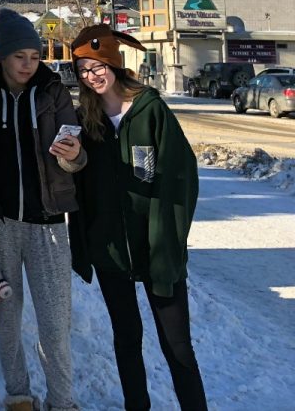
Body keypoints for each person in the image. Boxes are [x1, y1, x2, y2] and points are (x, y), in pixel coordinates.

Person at [67, 25, 208, 411]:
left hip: (157, 248)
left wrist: (169, 239)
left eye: (96, 66)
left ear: (113, 62)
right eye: (82, 70)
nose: (90, 76)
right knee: (126, 339)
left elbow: (180, 180)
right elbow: (82, 181)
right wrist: (70, 158)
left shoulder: (151, 110)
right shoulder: (86, 120)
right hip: (111, 249)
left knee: (177, 345)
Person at [0, 9, 86, 411]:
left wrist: (73, 156)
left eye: (35, 56)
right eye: (20, 57)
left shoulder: (53, 91)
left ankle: (62, 402)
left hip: (48, 224)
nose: (29, 65)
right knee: (7, 322)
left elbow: (77, 161)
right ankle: (19, 397)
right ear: (3, 55)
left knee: (54, 324)